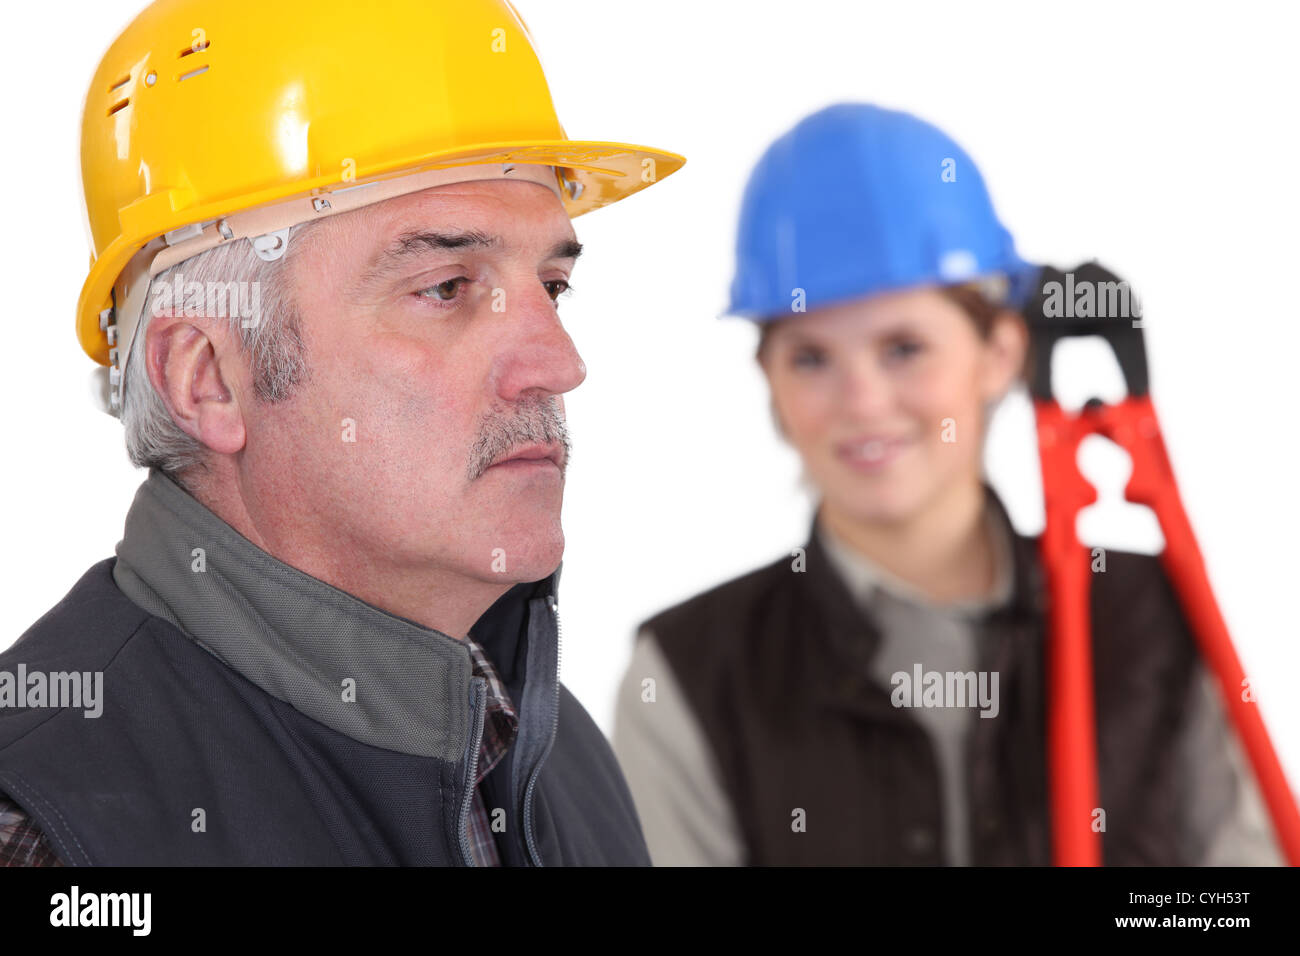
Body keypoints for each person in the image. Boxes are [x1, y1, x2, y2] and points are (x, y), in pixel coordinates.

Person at [0, 0, 683, 866]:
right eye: (446, 288)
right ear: (206, 378)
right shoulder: (48, 831)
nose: (558, 362)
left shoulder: (559, 762)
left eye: (553, 286)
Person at [611, 103, 1280, 866]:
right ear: (769, 381)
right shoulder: (691, 673)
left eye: (903, 348)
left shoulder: (1149, 614)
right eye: (811, 358)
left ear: (1000, 353)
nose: (861, 401)